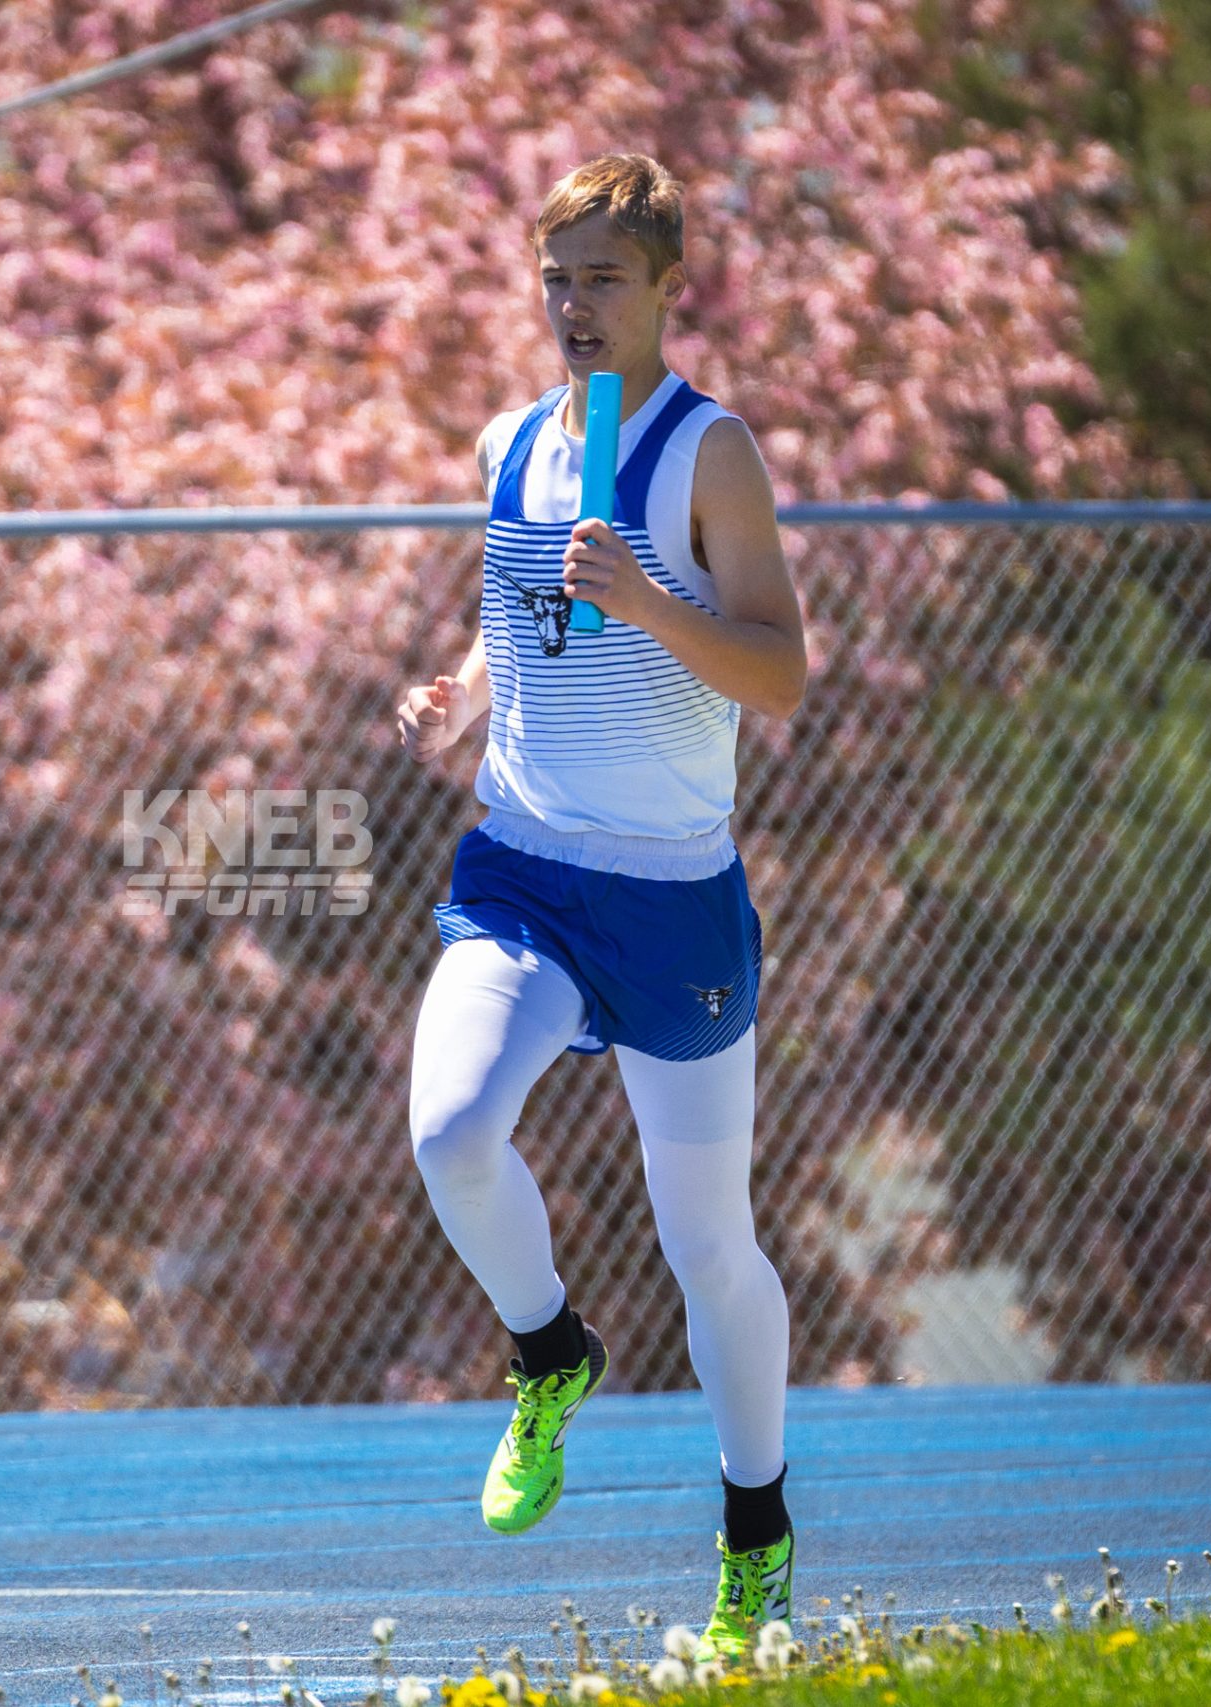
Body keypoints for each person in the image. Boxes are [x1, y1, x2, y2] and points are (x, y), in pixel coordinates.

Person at [393, 152, 808, 1658]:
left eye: (604, 280)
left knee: (710, 1244)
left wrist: (652, 602)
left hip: (675, 902)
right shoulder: (513, 444)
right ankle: (548, 1349)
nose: (573, 306)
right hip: (524, 872)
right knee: (449, 1130)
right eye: (555, 277)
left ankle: (753, 1536)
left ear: (664, 289)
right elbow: (526, 622)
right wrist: (462, 698)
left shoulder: (712, 456)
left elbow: (779, 678)